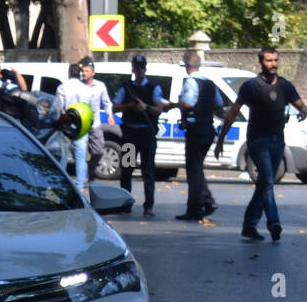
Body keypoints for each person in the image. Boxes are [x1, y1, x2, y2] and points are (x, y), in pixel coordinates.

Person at [214, 47, 307, 242]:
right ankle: (273, 222)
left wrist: (303, 111)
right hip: (258, 142)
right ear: (261, 63)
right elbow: (233, 112)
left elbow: (300, 104)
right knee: (266, 180)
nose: (273, 64)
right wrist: (221, 140)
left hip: (278, 142)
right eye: (269, 61)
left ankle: (249, 226)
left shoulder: (285, 86)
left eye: (275, 60)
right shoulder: (251, 86)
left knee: (264, 184)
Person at [112, 54, 166, 217]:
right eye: (137, 67)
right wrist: (129, 106)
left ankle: (148, 206)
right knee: (127, 170)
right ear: (133, 69)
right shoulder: (126, 87)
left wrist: (145, 107)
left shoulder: (154, 88)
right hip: (130, 133)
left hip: (146, 134)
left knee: (148, 171)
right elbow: (115, 107)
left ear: (145, 68)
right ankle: (125, 204)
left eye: (142, 67)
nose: (140, 70)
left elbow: (159, 109)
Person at [174, 50, 225, 221]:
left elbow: (187, 103)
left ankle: (197, 206)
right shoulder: (210, 84)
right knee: (197, 168)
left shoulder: (191, 81)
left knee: (193, 170)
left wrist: (173, 104)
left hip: (196, 129)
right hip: (208, 129)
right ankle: (204, 200)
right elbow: (219, 105)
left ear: (187, 65)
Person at [67, 58, 109, 197]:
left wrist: (110, 115)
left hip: (95, 123)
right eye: (82, 71)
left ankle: (89, 171)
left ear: (93, 73)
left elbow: (107, 102)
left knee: (98, 151)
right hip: (81, 126)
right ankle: (82, 179)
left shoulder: (100, 86)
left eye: (86, 71)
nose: (84, 73)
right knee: (80, 153)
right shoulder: (77, 86)